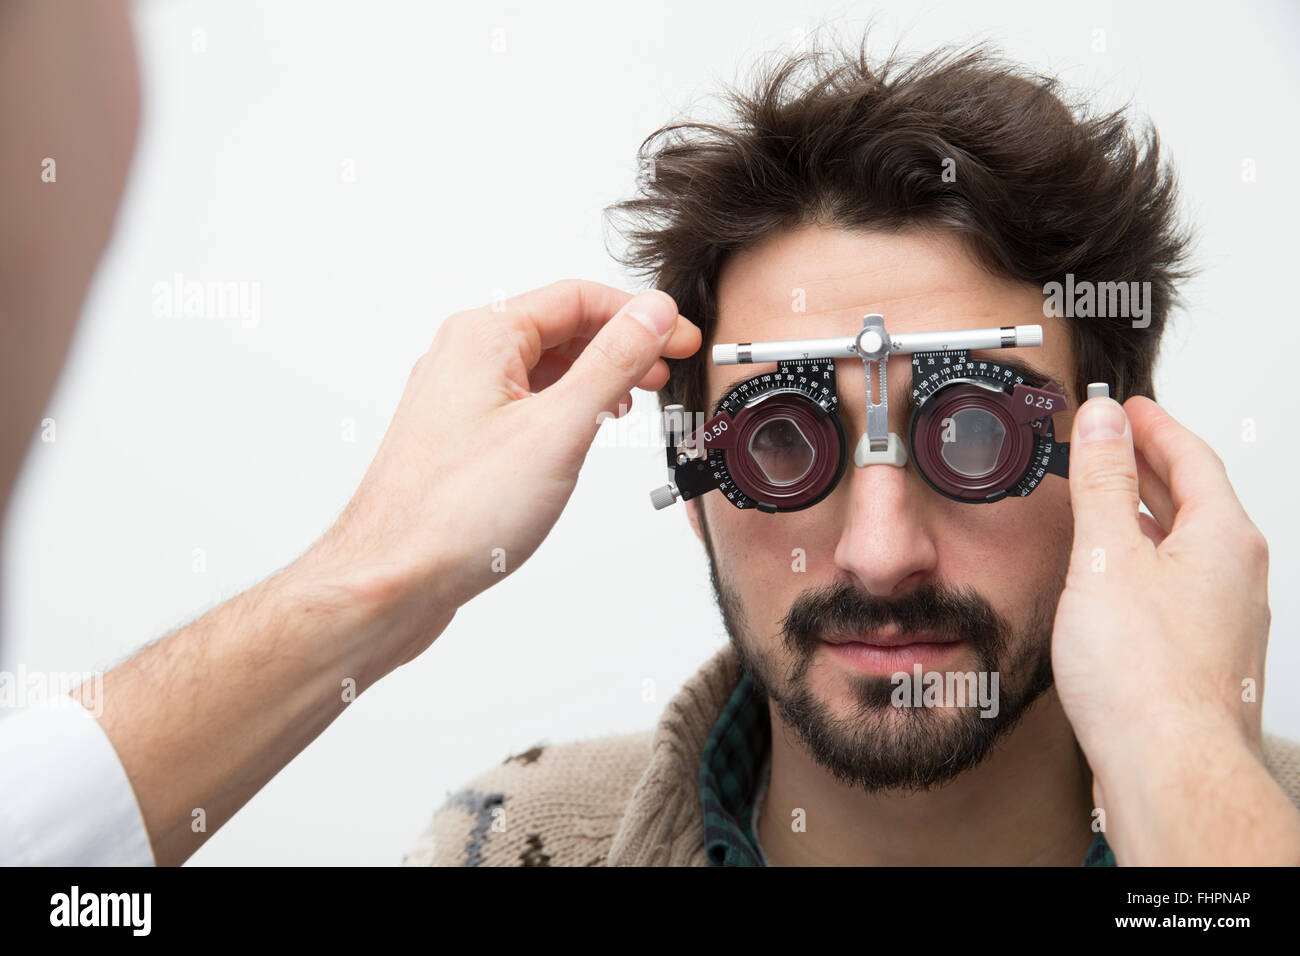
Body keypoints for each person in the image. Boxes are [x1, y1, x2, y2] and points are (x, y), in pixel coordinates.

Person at [0, 4, 1295, 868]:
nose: (885, 554)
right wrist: (378, 569)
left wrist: (1187, 769)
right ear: (694, 478)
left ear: (1129, 470)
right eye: (785, 444)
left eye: (973, 430)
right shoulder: (507, 844)